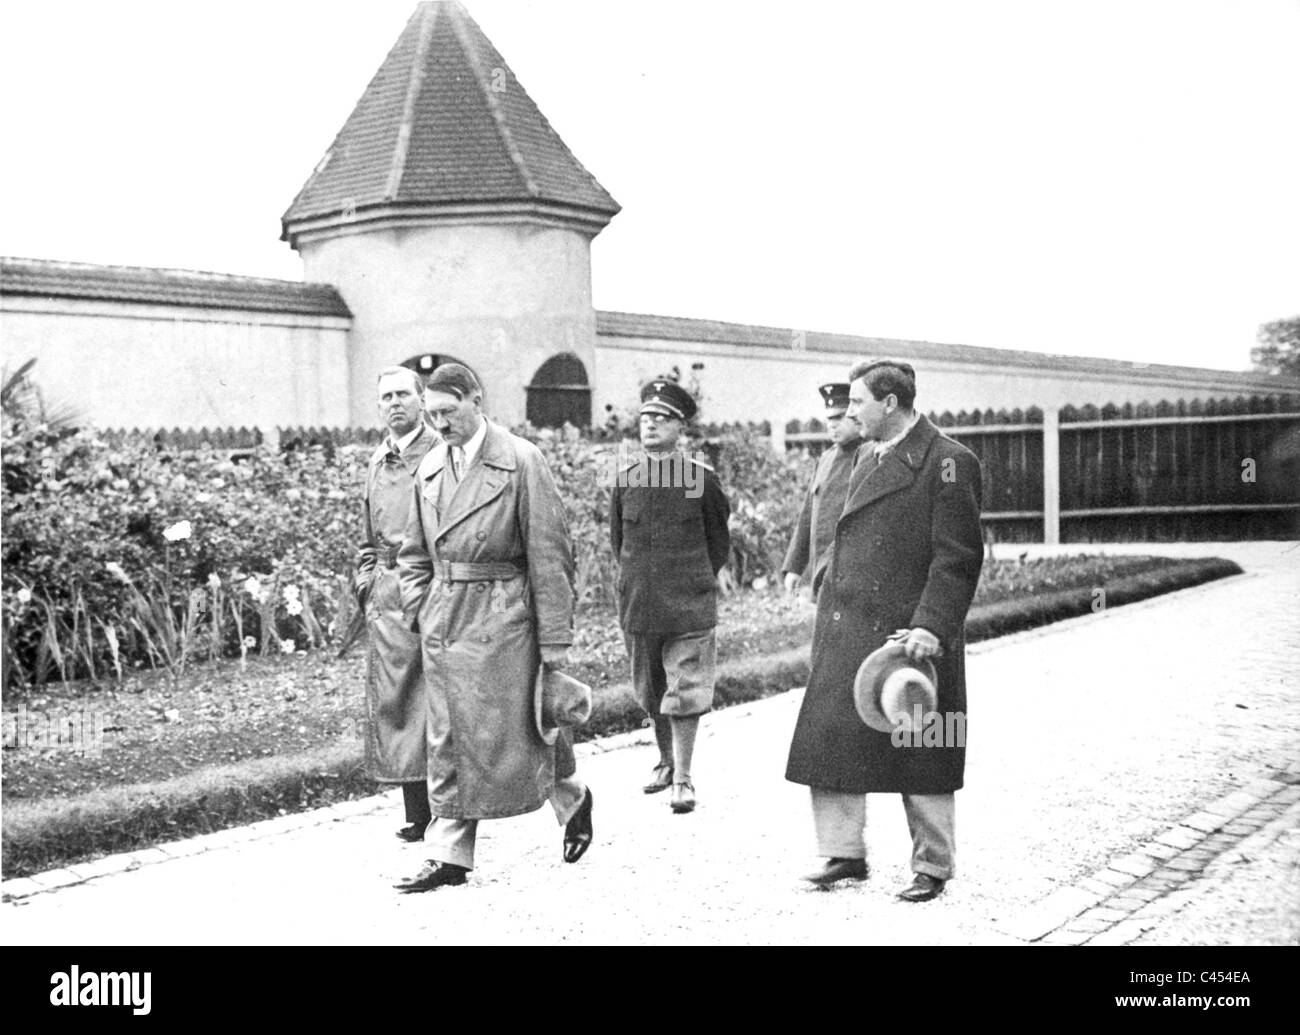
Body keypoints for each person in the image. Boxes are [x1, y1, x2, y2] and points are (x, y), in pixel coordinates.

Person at [784, 359, 983, 901]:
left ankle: (932, 865)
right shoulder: (860, 458)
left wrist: (930, 627)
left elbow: (957, 559)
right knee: (829, 739)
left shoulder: (948, 463)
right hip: (847, 624)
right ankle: (844, 854)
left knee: (922, 746)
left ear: (890, 403)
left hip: (908, 635)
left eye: (857, 403)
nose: (848, 413)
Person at [392, 363, 594, 893]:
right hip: (445, 617)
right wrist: (421, 606)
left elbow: (552, 557)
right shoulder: (431, 466)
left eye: (448, 411)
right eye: (431, 414)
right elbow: (413, 553)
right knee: (449, 735)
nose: (439, 424)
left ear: (475, 400)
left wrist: (554, 642)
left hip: (504, 619)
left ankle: (571, 798)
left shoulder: (521, 461)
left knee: (517, 729)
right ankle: (450, 855)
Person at [610, 379, 731, 814]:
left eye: (661, 419)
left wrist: (696, 579)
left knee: (685, 690)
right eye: (645, 419)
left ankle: (683, 778)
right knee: (650, 689)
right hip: (641, 603)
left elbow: (718, 540)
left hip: (688, 603)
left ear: (681, 427)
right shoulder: (626, 481)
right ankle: (664, 761)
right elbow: (618, 542)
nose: (651, 426)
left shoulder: (699, 480)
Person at [354, 366, 438, 841]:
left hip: (426, 584)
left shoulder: (439, 453)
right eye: (386, 396)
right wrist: (367, 582)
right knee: (397, 699)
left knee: (433, 699)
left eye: (403, 394)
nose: (394, 404)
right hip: (387, 592)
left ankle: (446, 807)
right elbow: (367, 533)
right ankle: (418, 813)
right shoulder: (378, 458)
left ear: (421, 399)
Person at [781, 382, 864, 598]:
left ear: (856, 417)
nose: (832, 425)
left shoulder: (870, 457)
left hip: (855, 575)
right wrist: (794, 567)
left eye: (839, 418)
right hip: (822, 574)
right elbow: (808, 516)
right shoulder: (825, 459)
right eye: (829, 419)